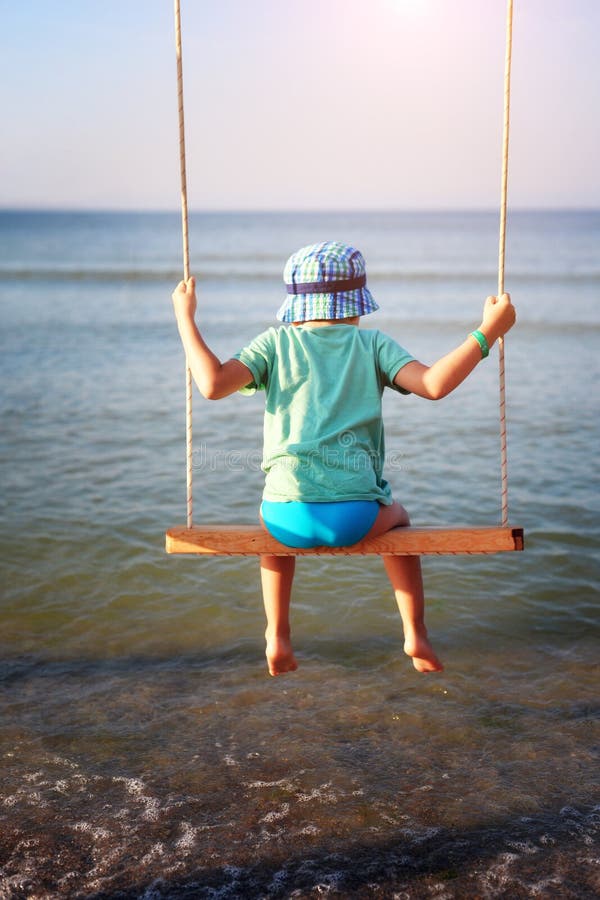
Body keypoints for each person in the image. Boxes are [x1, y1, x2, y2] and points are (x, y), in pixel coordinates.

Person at [171, 241, 516, 677]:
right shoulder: (372, 345)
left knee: (270, 522)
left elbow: (211, 383)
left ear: (297, 305)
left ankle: (277, 634)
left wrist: (185, 317)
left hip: (284, 520)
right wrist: (486, 333)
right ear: (356, 304)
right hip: (355, 518)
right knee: (399, 516)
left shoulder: (274, 342)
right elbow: (433, 385)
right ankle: (415, 632)